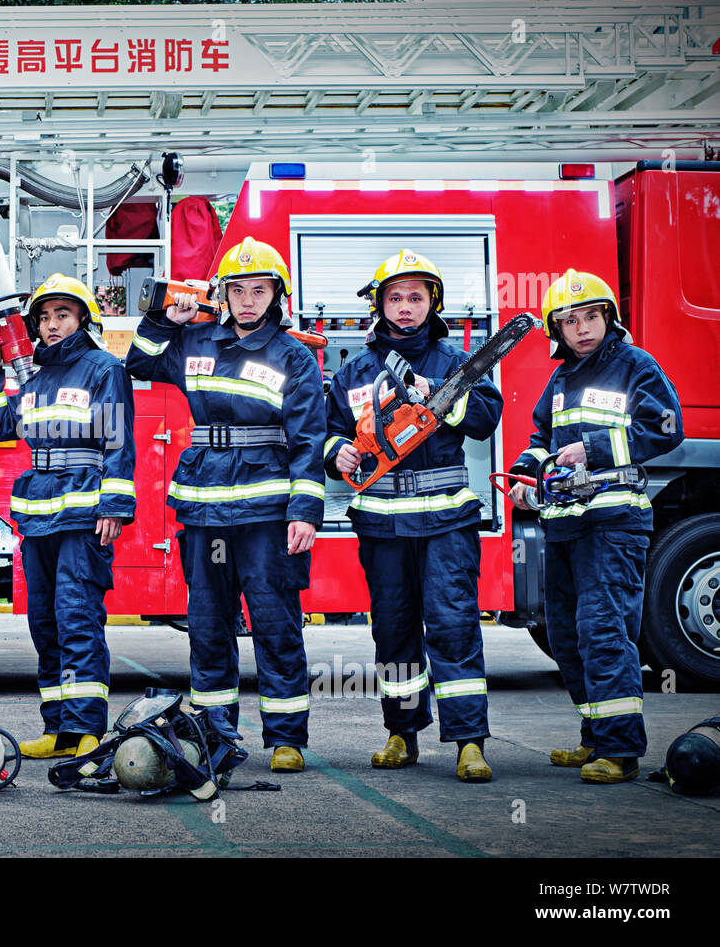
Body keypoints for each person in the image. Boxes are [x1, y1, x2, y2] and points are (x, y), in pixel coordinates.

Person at [125, 237, 324, 773]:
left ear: (275, 295)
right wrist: (165, 320)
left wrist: (304, 513)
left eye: (259, 290)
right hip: (205, 513)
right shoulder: (194, 343)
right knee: (209, 625)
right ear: (223, 294)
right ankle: (216, 735)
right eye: (238, 290)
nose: (248, 300)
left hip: (265, 516)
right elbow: (139, 364)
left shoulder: (293, 357)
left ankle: (285, 737)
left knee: (275, 622)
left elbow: (308, 440)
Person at [324, 250, 503, 782]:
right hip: (382, 527)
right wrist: (337, 451)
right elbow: (329, 430)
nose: (406, 308)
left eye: (416, 298)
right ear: (379, 304)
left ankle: (470, 742)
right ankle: (402, 733)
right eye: (396, 297)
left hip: (447, 523)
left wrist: (440, 400)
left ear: (433, 304)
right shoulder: (354, 370)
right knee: (393, 632)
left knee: (453, 627)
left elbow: (486, 419)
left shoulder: (454, 363)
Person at [508, 269, 683, 784]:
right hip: (563, 524)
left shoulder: (636, 366)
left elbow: (667, 427)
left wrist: (597, 448)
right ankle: (595, 738)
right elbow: (540, 437)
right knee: (566, 635)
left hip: (614, 522)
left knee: (605, 632)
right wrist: (524, 475)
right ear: (555, 329)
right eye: (569, 320)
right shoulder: (559, 381)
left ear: (609, 318)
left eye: (591, 316)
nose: (582, 328)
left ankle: (622, 750)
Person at [0, 273, 136, 759]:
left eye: (61, 314)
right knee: (45, 622)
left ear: (84, 319)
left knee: (78, 618)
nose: (50, 325)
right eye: (44, 317)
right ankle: (57, 728)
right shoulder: (35, 377)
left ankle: (86, 728)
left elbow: (117, 444)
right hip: (40, 517)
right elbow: (3, 428)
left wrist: (115, 505)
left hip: (83, 515)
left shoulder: (103, 370)